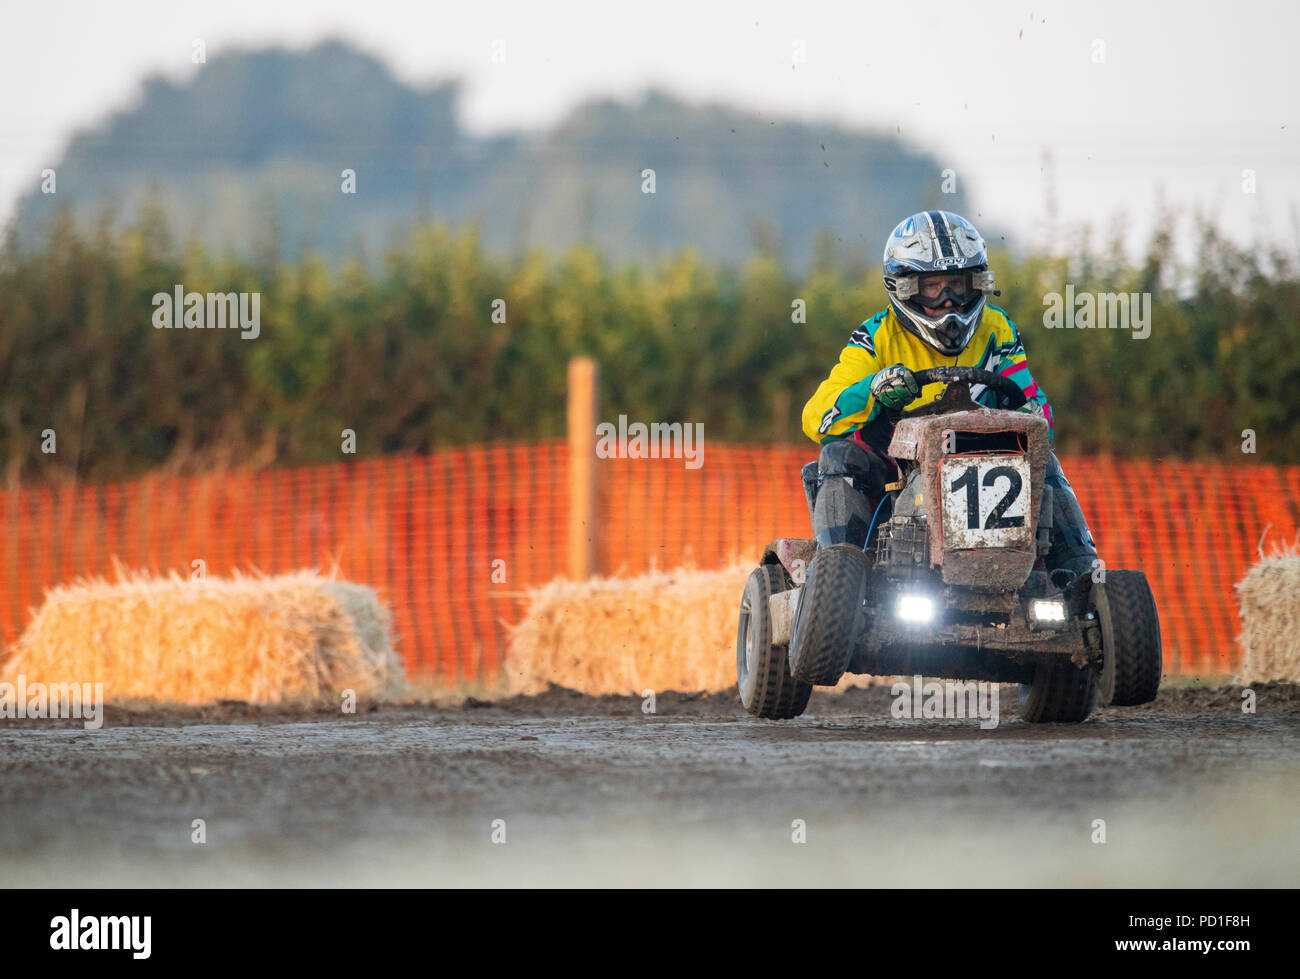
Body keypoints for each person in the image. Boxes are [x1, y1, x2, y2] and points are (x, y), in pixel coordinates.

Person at [799, 210, 1097, 581]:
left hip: (986, 458)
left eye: (958, 285)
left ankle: (1083, 580)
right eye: (933, 287)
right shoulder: (877, 336)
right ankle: (840, 578)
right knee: (838, 456)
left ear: (978, 284)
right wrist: (873, 389)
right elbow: (816, 418)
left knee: (1045, 462)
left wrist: (1033, 411)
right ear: (904, 288)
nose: (949, 301)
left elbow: (1038, 415)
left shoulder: (997, 328)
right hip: (897, 473)